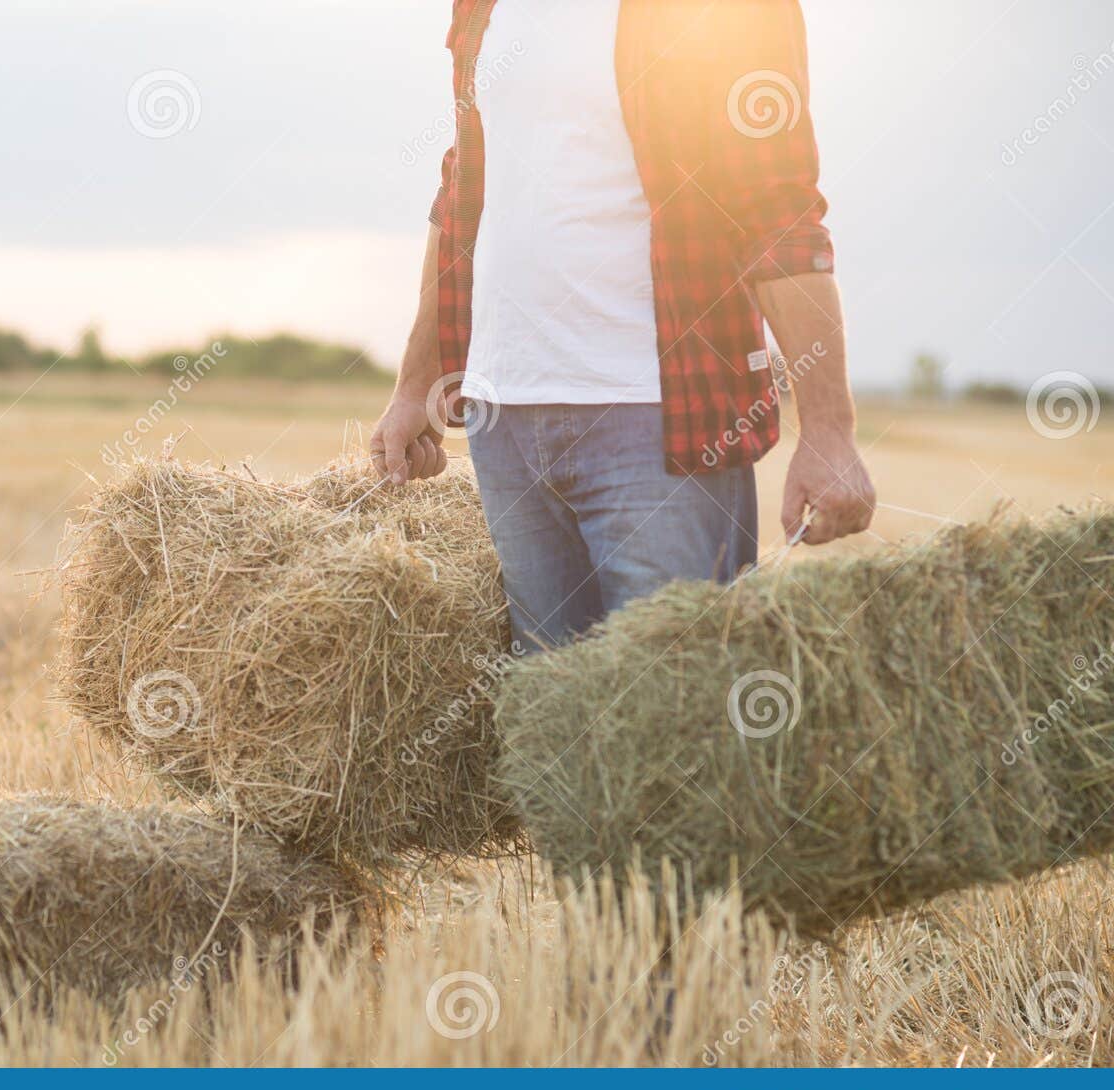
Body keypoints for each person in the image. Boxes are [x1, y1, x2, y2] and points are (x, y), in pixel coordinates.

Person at [371, 0, 876, 650]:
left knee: (675, 712)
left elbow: (780, 214)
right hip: (507, 422)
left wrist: (831, 431)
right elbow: (465, 185)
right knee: (548, 721)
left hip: (660, 426)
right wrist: (415, 384)